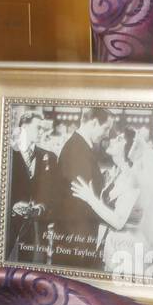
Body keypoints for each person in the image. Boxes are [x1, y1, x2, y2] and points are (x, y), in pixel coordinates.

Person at [70, 125, 153, 275]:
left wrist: (90, 198)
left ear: (128, 148)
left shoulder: (134, 179)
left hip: (127, 251)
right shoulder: (119, 173)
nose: (113, 139)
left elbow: (118, 222)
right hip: (111, 246)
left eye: (119, 139)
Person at [53, 106, 114, 266]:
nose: (107, 134)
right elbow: (83, 199)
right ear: (94, 123)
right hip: (77, 240)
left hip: (77, 235)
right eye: (106, 128)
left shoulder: (80, 146)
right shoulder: (77, 149)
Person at [4, 110, 59, 264]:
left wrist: (41, 207)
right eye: (38, 127)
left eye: (43, 128)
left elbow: (54, 194)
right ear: (23, 128)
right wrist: (12, 207)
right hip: (8, 229)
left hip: (35, 232)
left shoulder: (50, 157)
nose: (42, 131)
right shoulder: (6, 155)